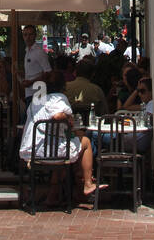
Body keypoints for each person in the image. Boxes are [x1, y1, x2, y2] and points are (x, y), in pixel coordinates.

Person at [19, 71, 104, 205]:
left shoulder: (36, 100)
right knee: (85, 143)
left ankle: (54, 195)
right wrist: (68, 118)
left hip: (34, 150)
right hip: (51, 151)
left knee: (65, 149)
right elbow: (57, 116)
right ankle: (87, 183)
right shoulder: (58, 98)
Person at [20, 24, 50, 90]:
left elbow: (48, 72)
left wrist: (31, 82)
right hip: (29, 93)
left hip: (38, 93)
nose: (28, 37)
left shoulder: (39, 52)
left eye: (30, 34)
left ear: (35, 36)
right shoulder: (27, 51)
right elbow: (31, 73)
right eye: (25, 35)